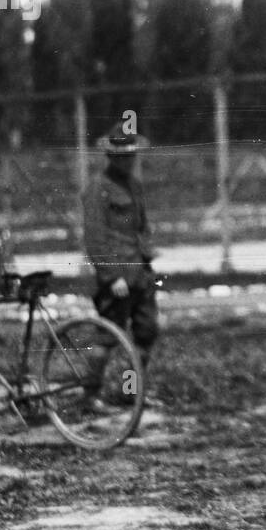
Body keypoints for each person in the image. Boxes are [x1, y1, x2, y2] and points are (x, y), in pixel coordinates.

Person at [83, 122, 160, 404]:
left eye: (131, 155)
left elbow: (143, 228)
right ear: (111, 156)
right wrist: (111, 276)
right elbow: (95, 238)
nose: (127, 160)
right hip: (116, 279)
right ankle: (90, 396)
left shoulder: (134, 185)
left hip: (140, 274)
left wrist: (149, 262)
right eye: (121, 156)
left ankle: (131, 392)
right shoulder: (98, 189)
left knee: (146, 333)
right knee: (106, 338)